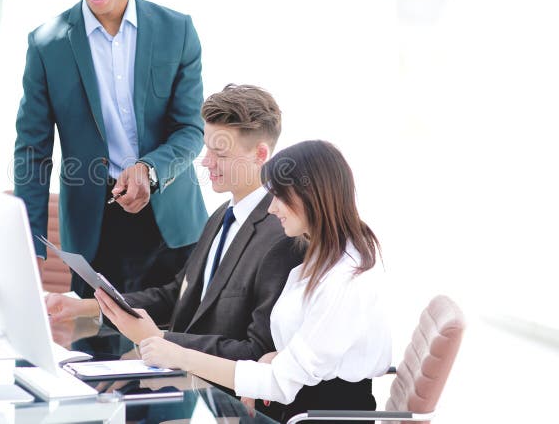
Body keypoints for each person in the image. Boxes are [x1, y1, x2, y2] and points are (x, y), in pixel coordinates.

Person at [13, 0, 207, 297]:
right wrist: (27, 244)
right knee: (92, 354)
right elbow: (32, 149)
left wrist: (148, 169)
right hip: (94, 231)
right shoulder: (46, 45)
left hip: (173, 223)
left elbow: (191, 129)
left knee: (179, 349)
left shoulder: (177, 30)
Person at [133, 140, 391, 423]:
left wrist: (179, 356)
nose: (271, 209)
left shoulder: (344, 278)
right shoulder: (324, 253)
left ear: (311, 196)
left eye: (280, 197)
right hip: (295, 406)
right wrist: (274, 357)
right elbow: (309, 349)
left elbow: (280, 383)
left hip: (314, 416)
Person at [48, 85, 306, 361]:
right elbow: (176, 296)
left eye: (220, 153)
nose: (206, 162)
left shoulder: (283, 235)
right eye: (207, 149)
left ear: (260, 155)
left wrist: (160, 341)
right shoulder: (220, 217)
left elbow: (257, 351)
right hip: (181, 377)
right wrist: (84, 306)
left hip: (221, 395)